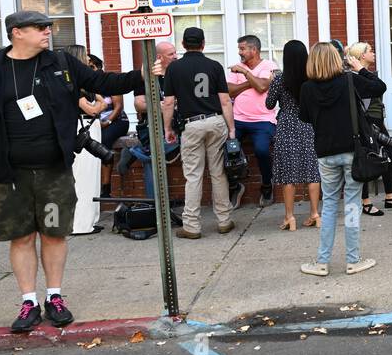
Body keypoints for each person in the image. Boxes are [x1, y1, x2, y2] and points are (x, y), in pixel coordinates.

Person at [0, 10, 143, 332]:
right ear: (17, 32)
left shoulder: (60, 64)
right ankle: (28, 301)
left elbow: (105, 81)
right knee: (22, 236)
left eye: (48, 27)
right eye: (40, 27)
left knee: (54, 233)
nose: (48, 32)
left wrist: (143, 74)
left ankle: (54, 297)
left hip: (54, 170)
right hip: (8, 174)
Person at [298, 42, 386, 276]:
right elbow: (379, 87)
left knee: (328, 206)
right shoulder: (349, 80)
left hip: (325, 152)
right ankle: (352, 259)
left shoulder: (307, 88)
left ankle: (322, 262)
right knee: (351, 205)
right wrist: (361, 69)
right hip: (351, 150)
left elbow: (305, 117)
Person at [162, 26, 236, 239]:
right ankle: (224, 220)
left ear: (184, 45)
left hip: (191, 124)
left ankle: (192, 226)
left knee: (193, 176)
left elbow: (168, 103)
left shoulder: (174, 69)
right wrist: (231, 128)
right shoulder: (214, 66)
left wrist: (168, 128)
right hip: (215, 121)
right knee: (218, 172)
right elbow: (224, 100)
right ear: (203, 44)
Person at [264, 39, 321, 231]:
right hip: (309, 125)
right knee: (313, 171)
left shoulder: (280, 79)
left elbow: (269, 104)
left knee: (289, 174)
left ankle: (290, 217)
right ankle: (314, 213)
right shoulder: (313, 77)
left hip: (287, 125)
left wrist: (273, 83)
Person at [349, 41, 392, 217]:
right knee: (368, 160)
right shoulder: (355, 76)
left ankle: (390, 197)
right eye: (369, 50)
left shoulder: (366, 74)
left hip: (377, 121)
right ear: (361, 56)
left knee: (389, 158)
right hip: (366, 123)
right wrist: (361, 70)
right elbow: (380, 87)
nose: (373, 53)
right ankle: (365, 202)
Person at [118, 40, 180, 199]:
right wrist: (161, 106)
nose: (176, 56)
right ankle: (155, 206)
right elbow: (139, 104)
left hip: (178, 124)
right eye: (171, 54)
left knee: (153, 154)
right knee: (153, 159)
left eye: (175, 52)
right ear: (159, 57)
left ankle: (136, 152)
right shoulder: (146, 75)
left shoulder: (178, 73)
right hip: (153, 126)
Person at [226, 34, 279, 209]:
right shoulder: (238, 68)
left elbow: (263, 87)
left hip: (263, 120)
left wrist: (245, 73)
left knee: (262, 150)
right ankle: (235, 186)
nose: (240, 52)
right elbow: (230, 91)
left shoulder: (269, 65)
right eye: (239, 49)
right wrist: (251, 81)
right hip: (238, 119)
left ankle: (266, 185)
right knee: (227, 152)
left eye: (243, 49)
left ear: (254, 50)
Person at [65, 44, 105, 236]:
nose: (89, 60)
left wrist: (97, 102)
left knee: (93, 176)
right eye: (86, 57)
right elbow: (95, 108)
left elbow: (102, 101)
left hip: (91, 126)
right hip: (84, 128)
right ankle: (80, 224)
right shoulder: (73, 84)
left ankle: (91, 220)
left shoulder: (84, 81)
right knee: (83, 178)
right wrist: (97, 103)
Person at [88, 54, 130, 201]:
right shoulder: (86, 84)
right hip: (95, 123)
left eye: (90, 67)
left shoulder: (109, 81)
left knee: (103, 141)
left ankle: (105, 188)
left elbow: (118, 107)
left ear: (97, 66)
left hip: (116, 121)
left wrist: (107, 123)